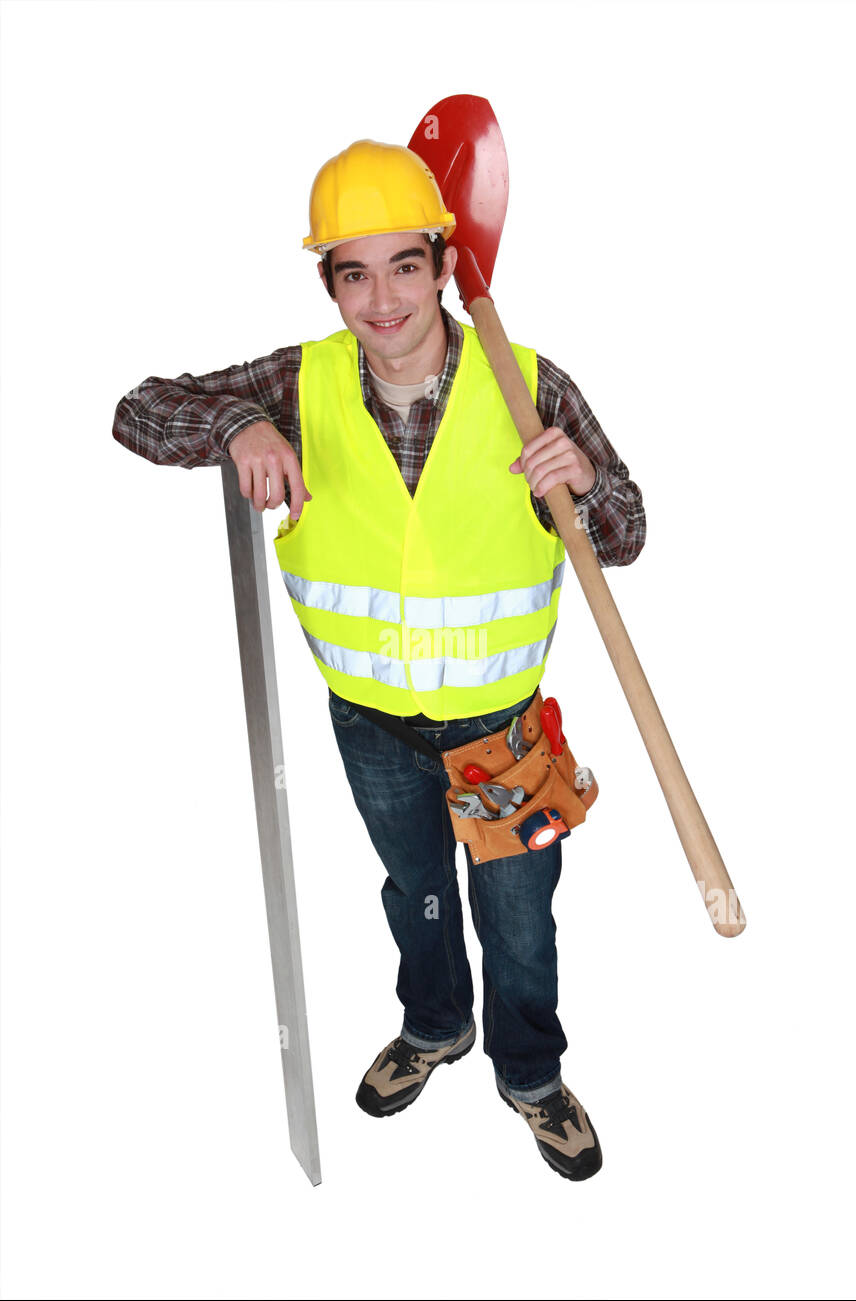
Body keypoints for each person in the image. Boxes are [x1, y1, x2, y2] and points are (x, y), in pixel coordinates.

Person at [112, 139, 646, 1182]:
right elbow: (137, 410)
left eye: (404, 265)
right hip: (367, 725)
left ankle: (530, 1079)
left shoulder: (527, 382)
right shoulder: (296, 380)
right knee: (416, 893)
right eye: (352, 272)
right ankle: (434, 1026)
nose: (382, 296)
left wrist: (580, 476)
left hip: (501, 734)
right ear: (328, 283)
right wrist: (239, 424)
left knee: (518, 919)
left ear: (446, 267)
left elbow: (624, 531)